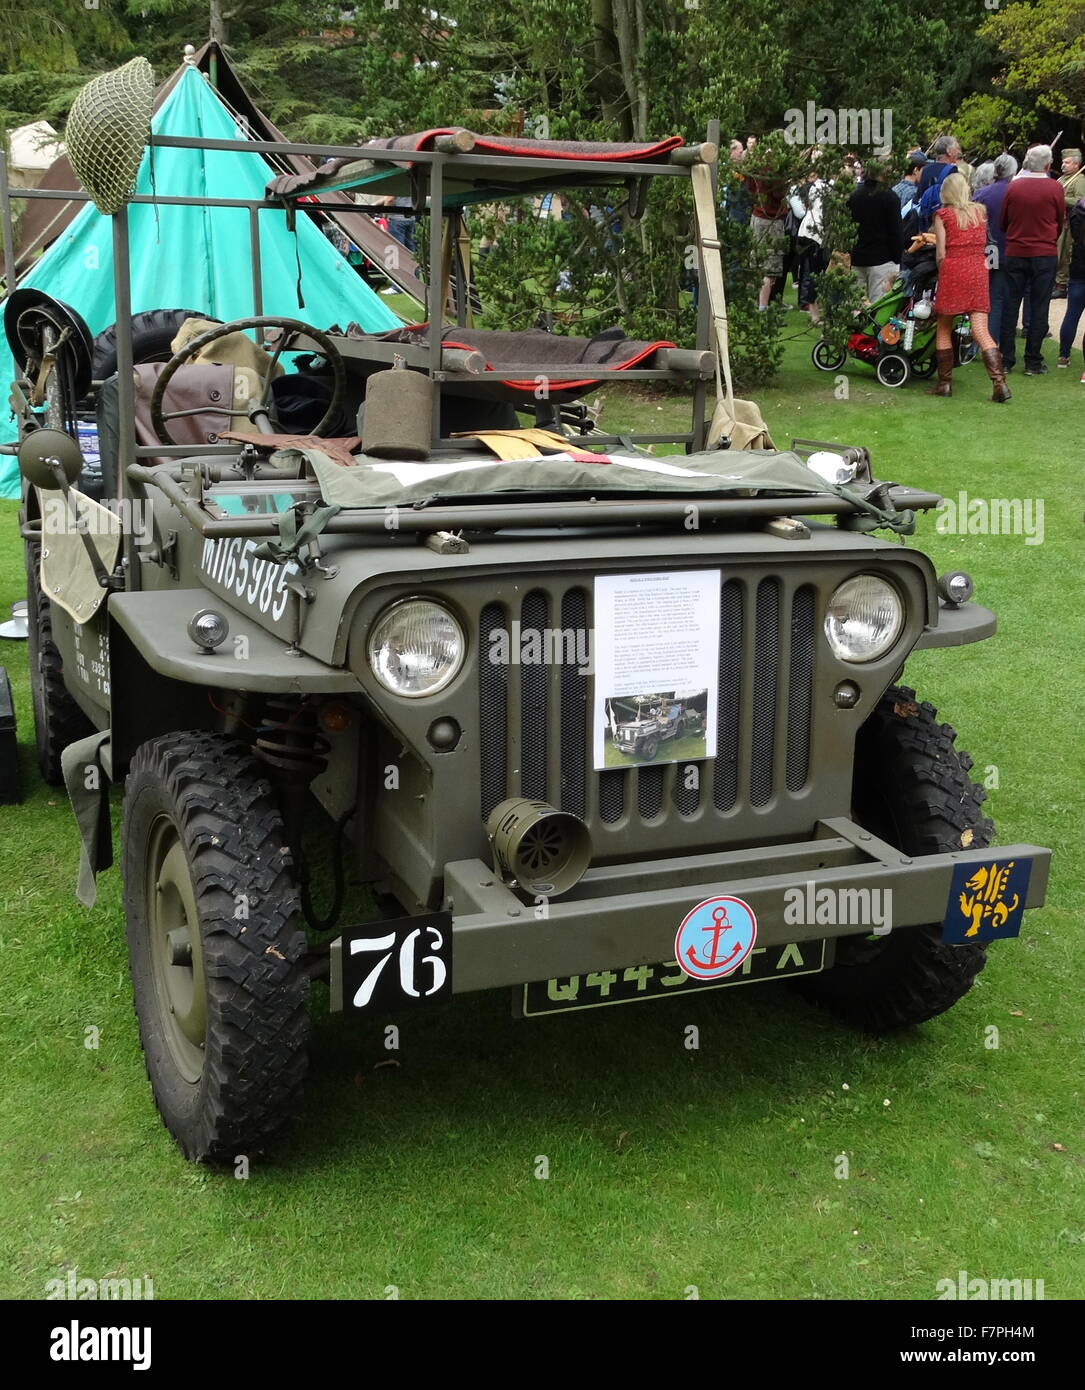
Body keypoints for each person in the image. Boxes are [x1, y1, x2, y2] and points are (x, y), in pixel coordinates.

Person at [926, 173, 1010, 401]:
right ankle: (999, 383)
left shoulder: (942, 215)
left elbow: (941, 252)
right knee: (980, 329)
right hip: (977, 270)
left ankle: (944, 384)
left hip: (954, 269)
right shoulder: (980, 212)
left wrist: (941, 271)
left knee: (943, 326)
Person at [998, 144, 1066, 375]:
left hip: (1016, 251)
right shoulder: (1055, 188)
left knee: (1010, 305)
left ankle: (1006, 359)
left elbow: (1003, 222)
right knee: (1039, 307)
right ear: (1048, 165)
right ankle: (1032, 361)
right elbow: (1059, 221)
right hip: (1043, 253)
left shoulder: (1014, 187)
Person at [973, 152, 1018, 340]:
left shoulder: (982, 194)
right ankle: (991, 341)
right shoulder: (1016, 191)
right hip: (1010, 248)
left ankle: (982, 340)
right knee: (1001, 297)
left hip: (988, 250)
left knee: (987, 296)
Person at [848, 163, 902, 300]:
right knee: (878, 306)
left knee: (855, 305)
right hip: (882, 258)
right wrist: (897, 257)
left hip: (857, 255)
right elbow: (895, 231)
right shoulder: (890, 197)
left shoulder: (854, 194)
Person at [745, 166, 788, 309]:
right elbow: (777, 194)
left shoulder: (755, 168)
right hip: (771, 219)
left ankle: (750, 303)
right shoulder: (774, 171)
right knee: (769, 268)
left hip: (756, 216)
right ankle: (762, 307)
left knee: (756, 263)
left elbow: (750, 188)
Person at [1056, 196, 1085, 378]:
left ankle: (1063, 356)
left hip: (1078, 266)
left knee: (1072, 313)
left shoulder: (1077, 209)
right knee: (1072, 314)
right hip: (1079, 264)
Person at [1054, 149, 1085, 297]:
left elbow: (1080, 201)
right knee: (1057, 252)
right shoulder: (1062, 179)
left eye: (1067, 162)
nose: (1063, 165)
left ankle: (1062, 285)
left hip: (1070, 223)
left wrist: (1060, 198)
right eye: (1063, 162)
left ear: (1076, 164)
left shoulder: (1079, 180)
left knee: (1065, 253)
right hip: (1057, 221)